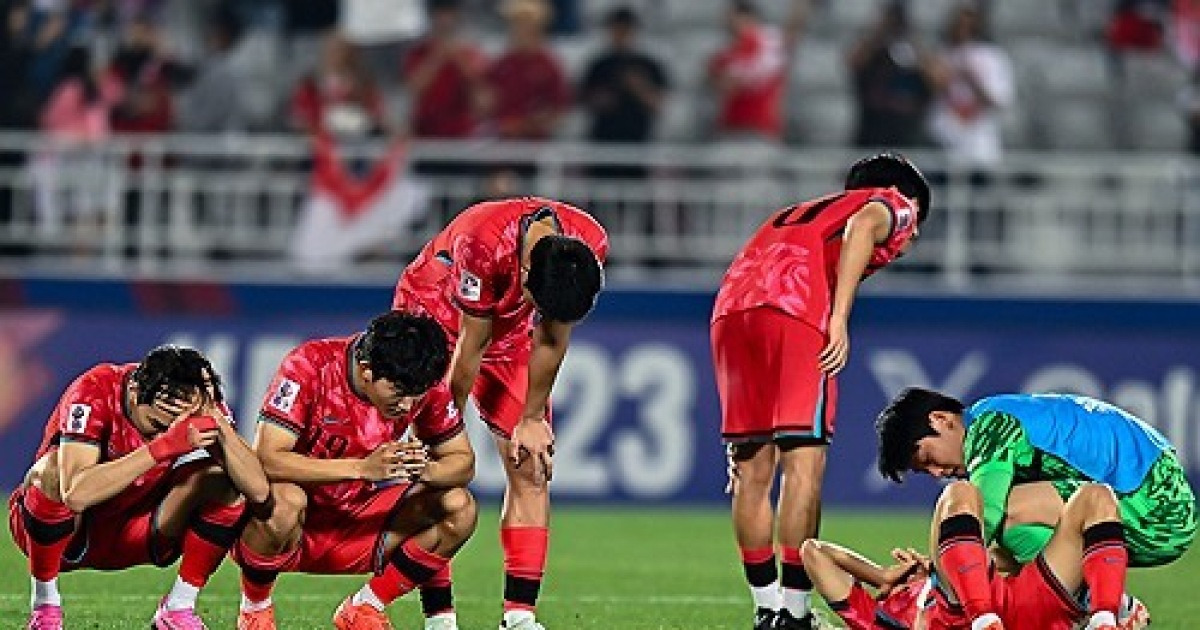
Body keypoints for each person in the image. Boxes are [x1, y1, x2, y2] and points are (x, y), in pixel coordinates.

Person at [711, 152, 932, 630]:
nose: (912, 236)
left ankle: (766, 607)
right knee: (803, 466)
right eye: (917, 226)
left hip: (730, 314)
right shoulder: (893, 203)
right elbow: (863, 229)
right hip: (795, 312)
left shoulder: (793, 214)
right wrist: (839, 317)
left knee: (751, 472)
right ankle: (793, 612)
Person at [392, 196, 607, 630]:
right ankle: (439, 616)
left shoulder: (591, 242)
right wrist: (443, 428)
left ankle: (520, 617)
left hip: (509, 332)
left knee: (532, 464)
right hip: (437, 313)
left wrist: (531, 420)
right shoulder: (483, 241)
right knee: (437, 465)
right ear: (524, 272)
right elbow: (471, 346)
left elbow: (551, 337)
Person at [232, 312, 478, 630]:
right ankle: (255, 609)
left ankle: (365, 607)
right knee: (285, 500)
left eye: (416, 395)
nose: (407, 405)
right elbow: (265, 459)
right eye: (399, 391)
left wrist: (425, 470)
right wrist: (361, 468)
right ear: (366, 371)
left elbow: (463, 462)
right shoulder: (309, 365)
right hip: (291, 527)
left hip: (356, 524)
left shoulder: (419, 385)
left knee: (459, 506)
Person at [8, 345, 270, 630]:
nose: (164, 430)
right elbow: (76, 494)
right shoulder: (94, 389)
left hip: (136, 529)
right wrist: (164, 446)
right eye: (156, 424)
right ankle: (45, 608)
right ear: (134, 392)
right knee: (51, 470)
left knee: (223, 479)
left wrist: (218, 423)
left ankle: (177, 610)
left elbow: (257, 491)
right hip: (63, 534)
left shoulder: (189, 401)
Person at [876, 389, 1198, 569]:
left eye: (929, 459)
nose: (937, 474)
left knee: (999, 512)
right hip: (1155, 505)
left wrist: (937, 575)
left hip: (1157, 508)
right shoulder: (998, 415)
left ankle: (1099, 605)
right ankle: (1087, 606)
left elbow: (986, 516)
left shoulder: (990, 427)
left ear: (942, 420)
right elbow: (999, 548)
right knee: (1007, 532)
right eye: (925, 471)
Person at [806, 480, 1145, 630]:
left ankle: (1104, 619)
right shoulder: (879, 621)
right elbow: (813, 553)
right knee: (959, 492)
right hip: (958, 615)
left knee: (1097, 497)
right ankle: (983, 620)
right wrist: (879, 576)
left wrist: (914, 572)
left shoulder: (882, 610)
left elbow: (815, 553)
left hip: (1002, 599)